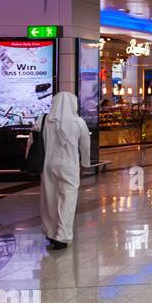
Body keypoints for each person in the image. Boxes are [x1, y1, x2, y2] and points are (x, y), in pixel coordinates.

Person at [31, 92, 92, 251]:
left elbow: (31, 141)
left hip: (47, 165)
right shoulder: (79, 122)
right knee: (67, 199)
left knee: (49, 199)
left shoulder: (43, 120)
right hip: (69, 166)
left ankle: (50, 232)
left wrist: (31, 162)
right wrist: (85, 163)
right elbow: (85, 145)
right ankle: (62, 235)